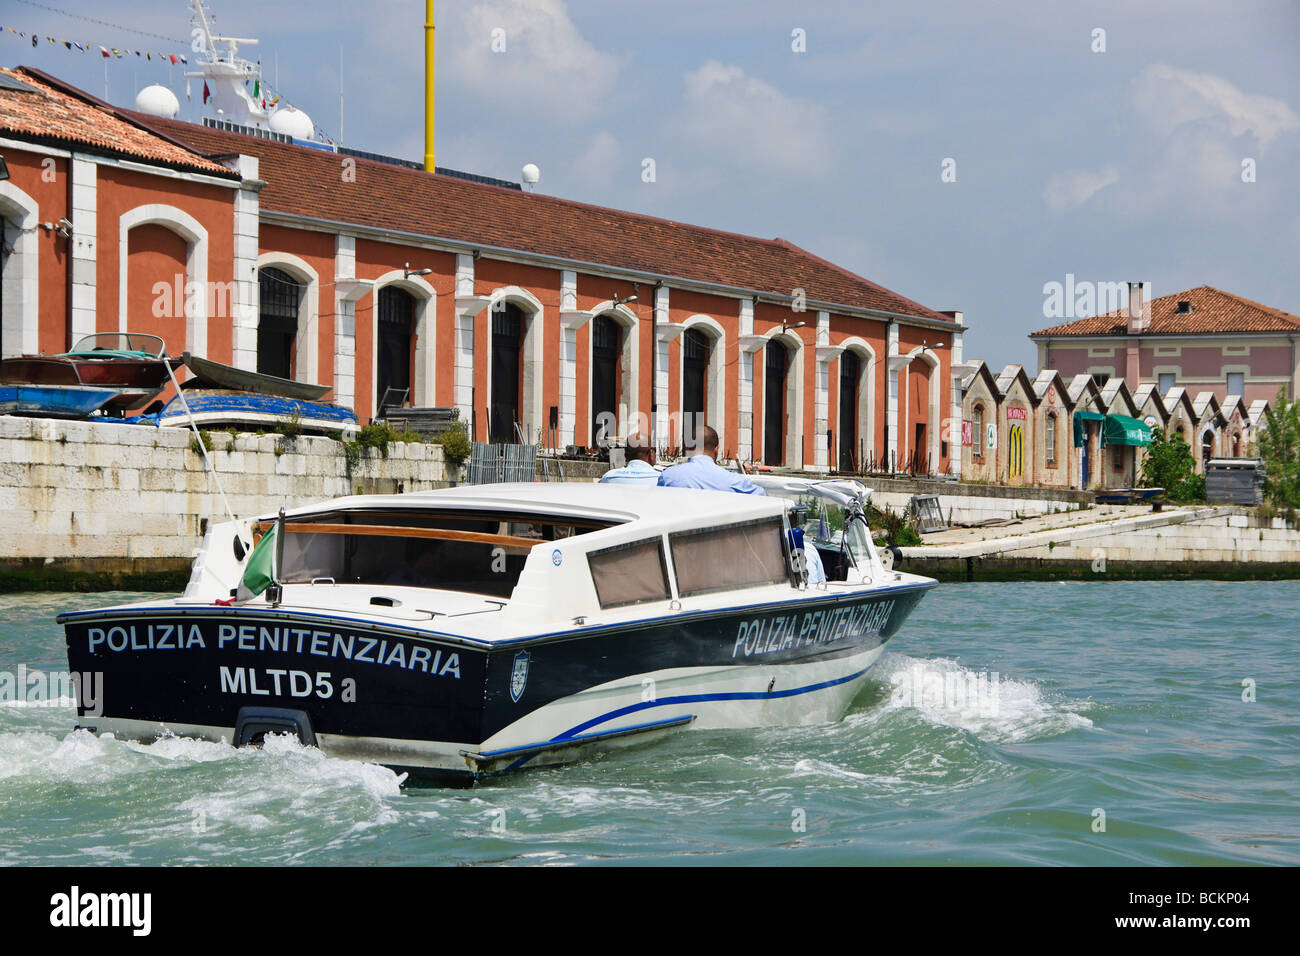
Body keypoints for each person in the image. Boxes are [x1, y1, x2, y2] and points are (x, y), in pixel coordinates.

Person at [656, 425, 765, 494]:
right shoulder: (733, 480)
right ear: (716, 449)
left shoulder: (668, 476)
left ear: (687, 448)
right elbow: (763, 496)